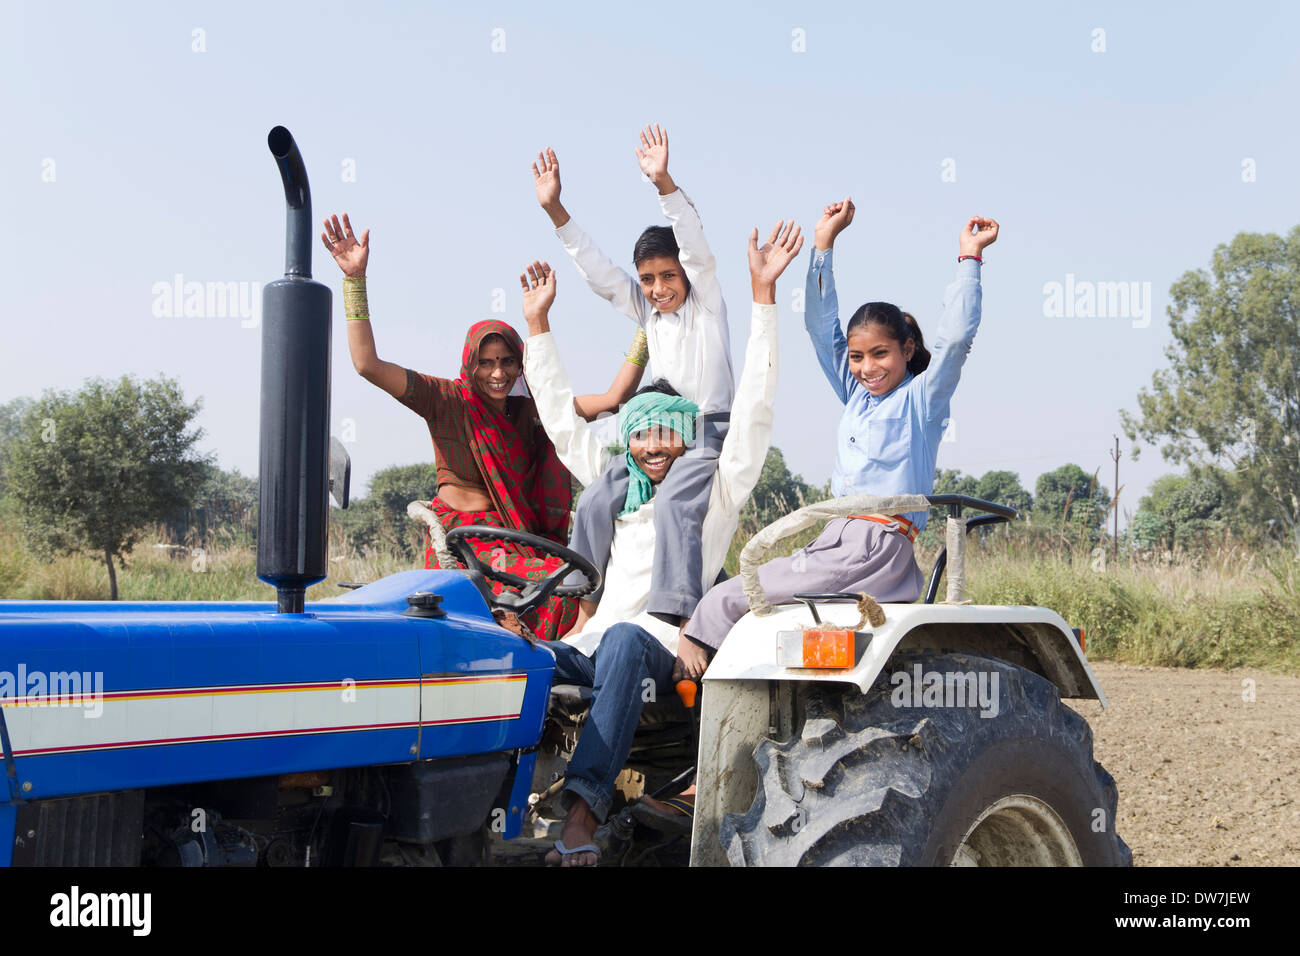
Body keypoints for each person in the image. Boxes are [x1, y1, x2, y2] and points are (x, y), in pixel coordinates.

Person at [517, 218, 804, 866]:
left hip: (666, 648)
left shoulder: (712, 495)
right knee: (517, 657)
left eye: (665, 436)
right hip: (599, 645)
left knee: (620, 639)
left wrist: (763, 301)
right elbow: (564, 425)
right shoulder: (617, 493)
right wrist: (539, 329)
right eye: (641, 436)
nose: (652, 449)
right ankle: (496, 806)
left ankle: (582, 816)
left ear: (686, 438)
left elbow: (754, 409)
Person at [682, 200, 1000, 653]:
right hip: (836, 536)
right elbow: (819, 326)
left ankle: (689, 665)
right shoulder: (855, 395)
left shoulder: (920, 401)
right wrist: (823, 245)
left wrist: (970, 257)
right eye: (856, 356)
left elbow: (956, 340)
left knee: (729, 596)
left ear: (907, 350)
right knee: (751, 600)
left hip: (875, 544)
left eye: (880, 354)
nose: (867, 368)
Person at [321, 212, 647, 640]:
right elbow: (367, 365)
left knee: (591, 580)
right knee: (564, 586)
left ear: (520, 364)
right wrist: (354, 281)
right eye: (486, 362)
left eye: (507, 361)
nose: (497, 373)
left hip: (518, 542)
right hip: (464, 547)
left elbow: (613, 398)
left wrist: (649, 325)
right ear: (470, 363)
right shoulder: (445, 399)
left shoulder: (533, 411)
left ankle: (567, 670)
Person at [533, 125, 733, 629]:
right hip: (652, 434)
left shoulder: (706, 306)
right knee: (597, 497)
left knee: (674, 507)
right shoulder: (648, 315)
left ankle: (676, 617)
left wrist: (663, 182)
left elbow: (695, 245)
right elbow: (600, 275)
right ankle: (584, 609)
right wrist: (557, 212)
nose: (659, 288)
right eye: (648, 279)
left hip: (705, 433)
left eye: (668, 276)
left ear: (686, 274)